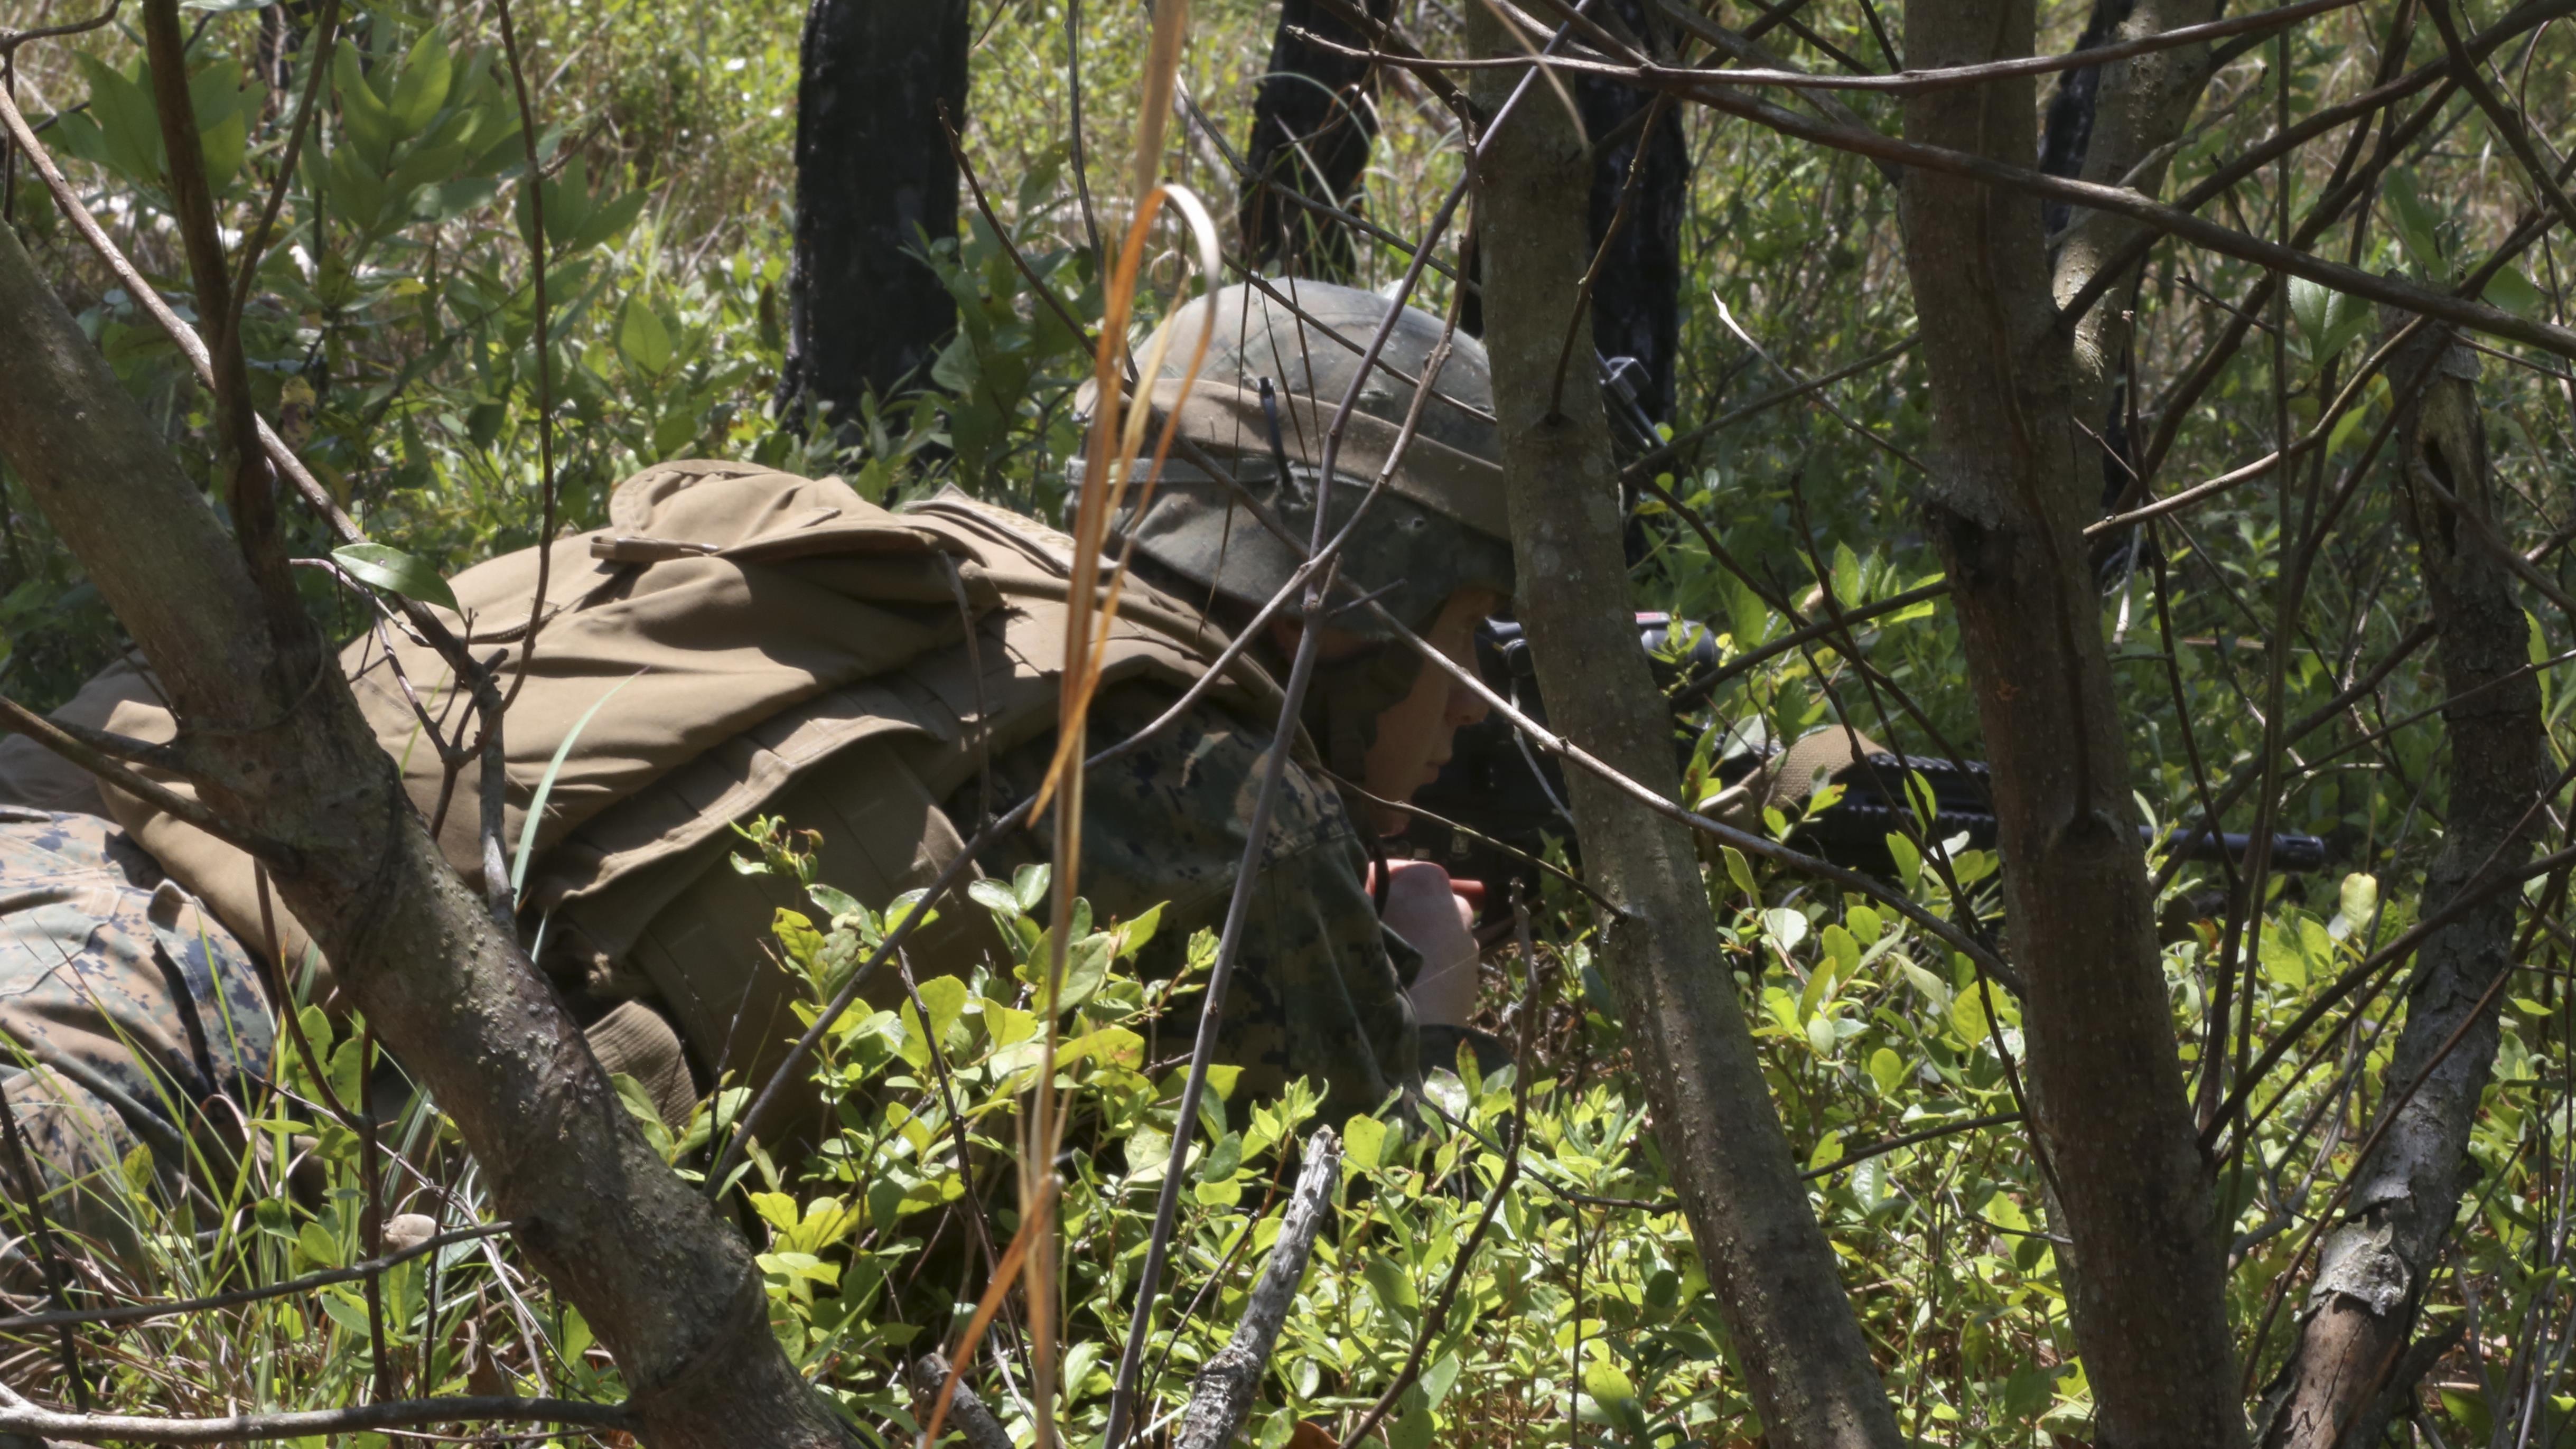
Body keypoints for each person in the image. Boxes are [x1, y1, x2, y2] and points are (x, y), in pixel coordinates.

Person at [0, 280, 1519, 1211]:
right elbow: (1323, 1253)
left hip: (83, 868)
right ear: (1353, 605)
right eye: (1466, 633)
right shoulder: (1222, 790)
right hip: (226, 1069)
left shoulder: (938, 577)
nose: (1470, 703)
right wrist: (1429, 1018)